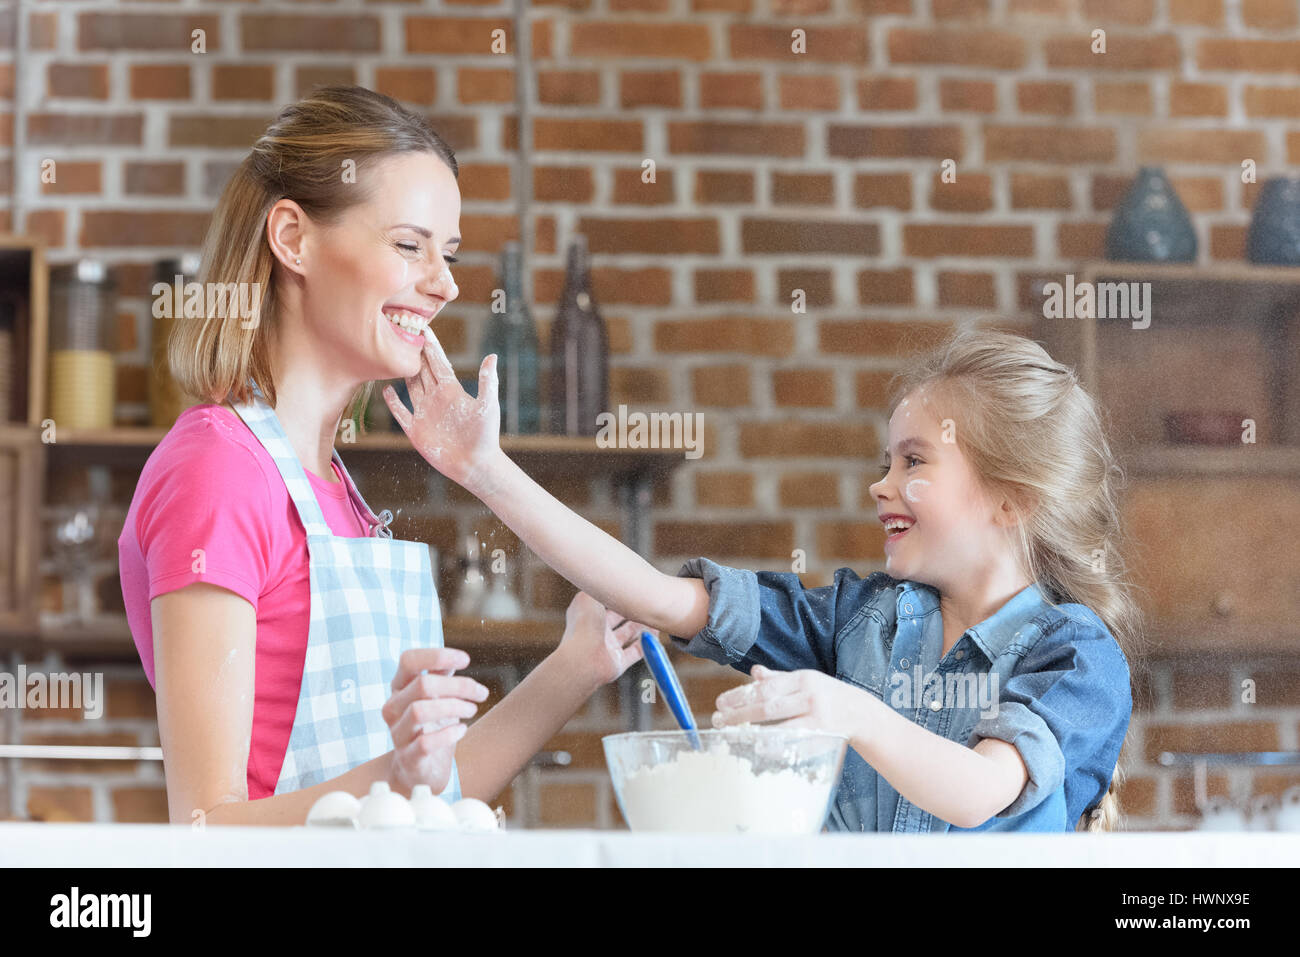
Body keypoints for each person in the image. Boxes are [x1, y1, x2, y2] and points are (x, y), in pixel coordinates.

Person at [117, 86, 647, 826]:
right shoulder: (220, 470)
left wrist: (576, 662)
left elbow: (426, 789)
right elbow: (206, 828)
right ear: (293, 239)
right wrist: (399, 775)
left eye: (449, 252)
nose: (446, 283)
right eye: (410, 245)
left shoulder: (334, 488)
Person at [385, 326, 1141, 832]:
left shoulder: (1077, 656)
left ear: (1012, 498)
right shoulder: (860, 618)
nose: (881, 484)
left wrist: (849, 710)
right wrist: (487, 472)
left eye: (913, 462)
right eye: (886, 461)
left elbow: (981, 791)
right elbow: (653, 594)